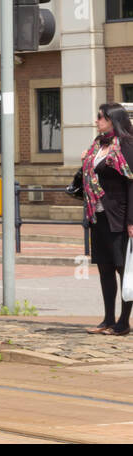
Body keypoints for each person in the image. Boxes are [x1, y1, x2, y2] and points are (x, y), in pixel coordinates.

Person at [80, 103, 133, 335]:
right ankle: (108, 319)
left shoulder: (127, 145)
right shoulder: (97, 145)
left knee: (124, 270)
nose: (97, 121)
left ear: (113, 119)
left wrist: (131, 220)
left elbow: (131, 185)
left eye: (100, 117)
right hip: (98, 215)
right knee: (104, 268)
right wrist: (84, 161)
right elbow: (89, 176)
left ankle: (123, 322)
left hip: (119, 218)